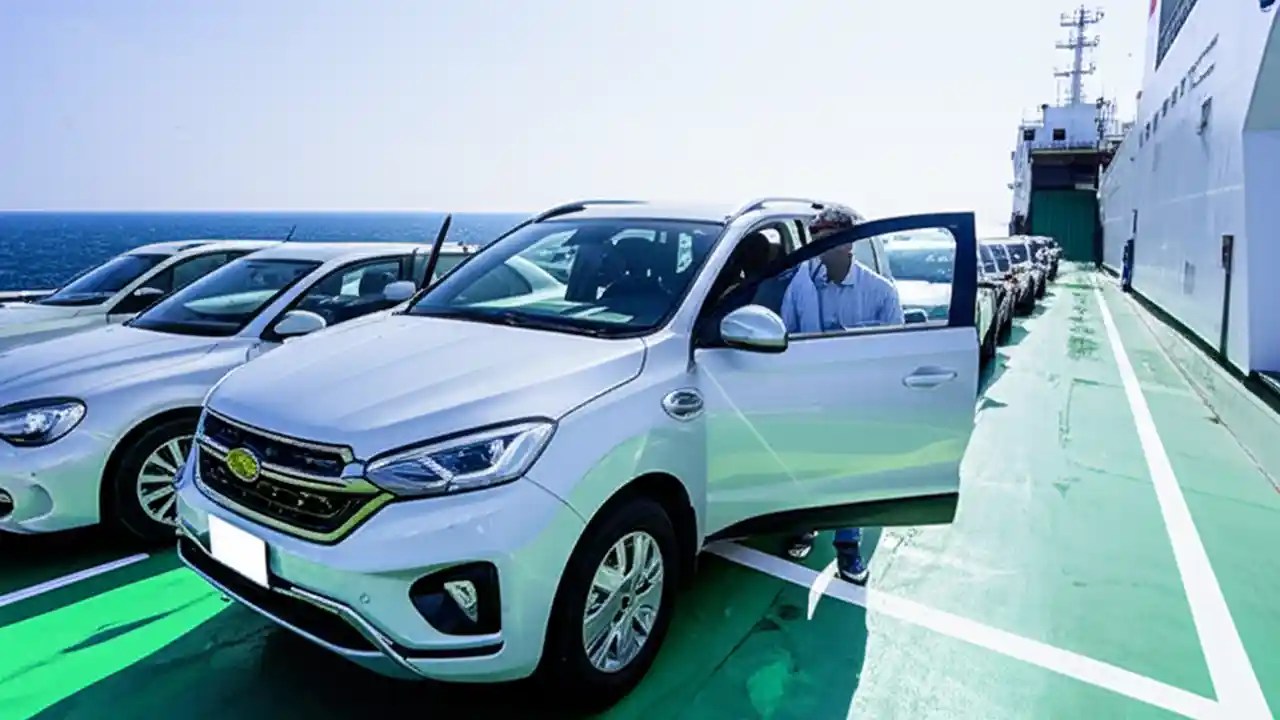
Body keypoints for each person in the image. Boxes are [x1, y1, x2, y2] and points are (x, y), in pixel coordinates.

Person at [777, 206, 905, 585]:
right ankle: (805, 527)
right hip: (810, 400)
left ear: (849, 243)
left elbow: (896, 355)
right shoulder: (801, 283)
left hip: (856, 405)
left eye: (828, 239)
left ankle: (848, 549)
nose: (820, 248)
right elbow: (787, 335)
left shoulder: (880, 293)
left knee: (852, 476)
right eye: (815, 240)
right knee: (806, 468)